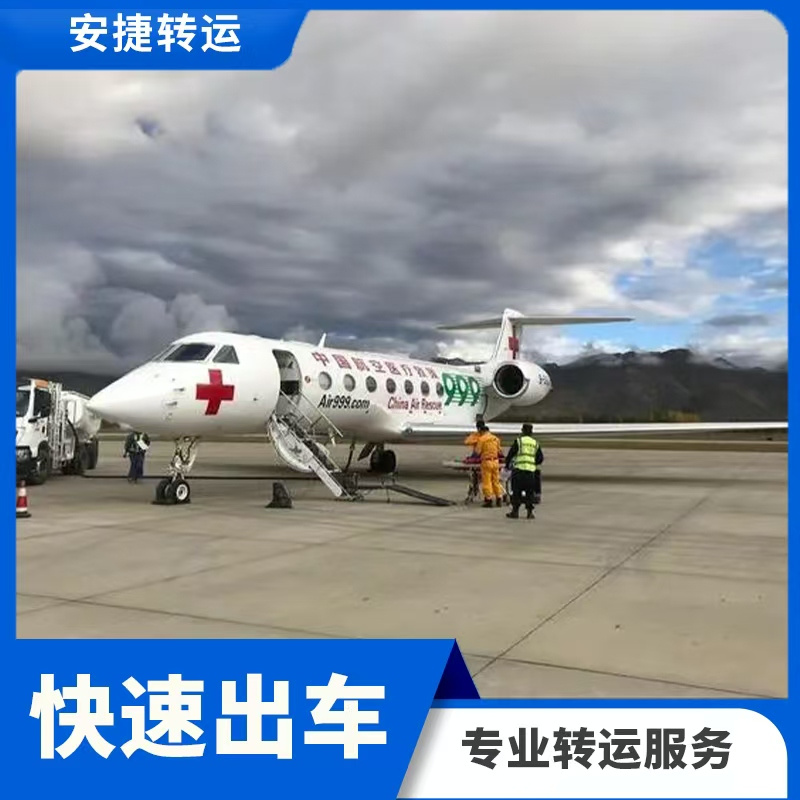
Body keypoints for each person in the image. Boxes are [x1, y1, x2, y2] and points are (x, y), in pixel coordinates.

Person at [504, 423, 543, 519]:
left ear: (523, 431)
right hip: (530, 472)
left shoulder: (519, 441)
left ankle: (515, 512)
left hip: (519, 470)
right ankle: (529, 513)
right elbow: (540, 458)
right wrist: (532, 463)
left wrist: (507, 465)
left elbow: (510, 454)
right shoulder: (535, 443)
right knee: (530, 492)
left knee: (516, 491)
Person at [474, 422, 504, 508]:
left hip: (486, 462)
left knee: (487, 482)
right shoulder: (496, 438)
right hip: (496, 462)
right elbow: (500, 451)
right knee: (496, 481)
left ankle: (489, 500)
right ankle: (499, 498)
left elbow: (477, 452)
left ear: (482, 431)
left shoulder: (482, 439)